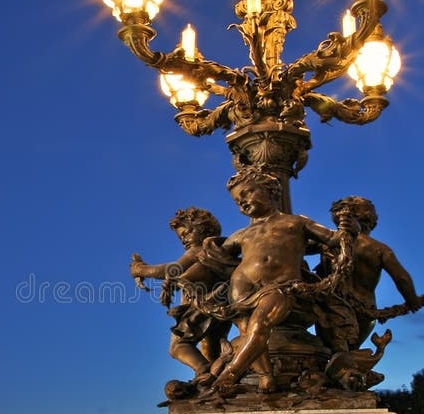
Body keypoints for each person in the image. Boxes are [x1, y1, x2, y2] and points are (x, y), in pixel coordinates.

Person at [202, 168, 340, 393]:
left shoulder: (296, 223)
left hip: (281, 286)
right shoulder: (241, 234)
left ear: (271, 190)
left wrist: (349, 230)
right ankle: (266, 376)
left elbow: (333, 238)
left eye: (247, 193)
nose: (242, 201)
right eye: (237, 200)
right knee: (246, 332)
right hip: (240, 286)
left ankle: (230, 374)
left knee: (259, 325)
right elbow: (212, 259)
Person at [130, 207, 233, 378]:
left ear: (205, 230)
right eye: (180, 237)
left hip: (201, 307)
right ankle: (216, 375)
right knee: (212, 346)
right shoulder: (218, 251)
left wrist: (139, 269)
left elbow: (171, 270)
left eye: (187, 233)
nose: (184, 239)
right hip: (222, 304)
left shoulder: (198, 250)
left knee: (178, 346)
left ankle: (203, 371)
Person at [320, 196, 419, 345]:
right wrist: (412, 301)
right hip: (364, 311)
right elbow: (402, 278)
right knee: (351, 352)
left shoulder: (327, 242)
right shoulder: (378, 249)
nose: (375, 214)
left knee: (329, 350)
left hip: (329, 309)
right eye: (371, 210)